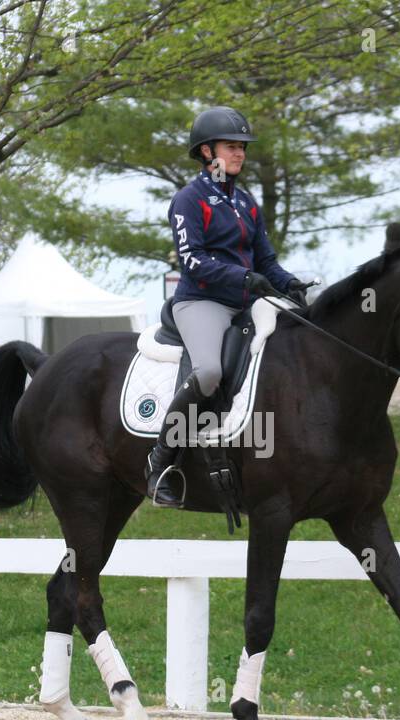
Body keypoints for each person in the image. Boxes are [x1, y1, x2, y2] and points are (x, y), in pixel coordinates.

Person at [147, 106, 312, 507]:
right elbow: (194, 261)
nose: (239, 154)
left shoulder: (245, 202)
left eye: (242, 147)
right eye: (231, 146)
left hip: (246, 303)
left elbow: (265, 260)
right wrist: (243, 278)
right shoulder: (189, 200)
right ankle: (160, 461)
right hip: (202, 301)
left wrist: (286, 282)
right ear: (207, 152)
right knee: (208, 373)